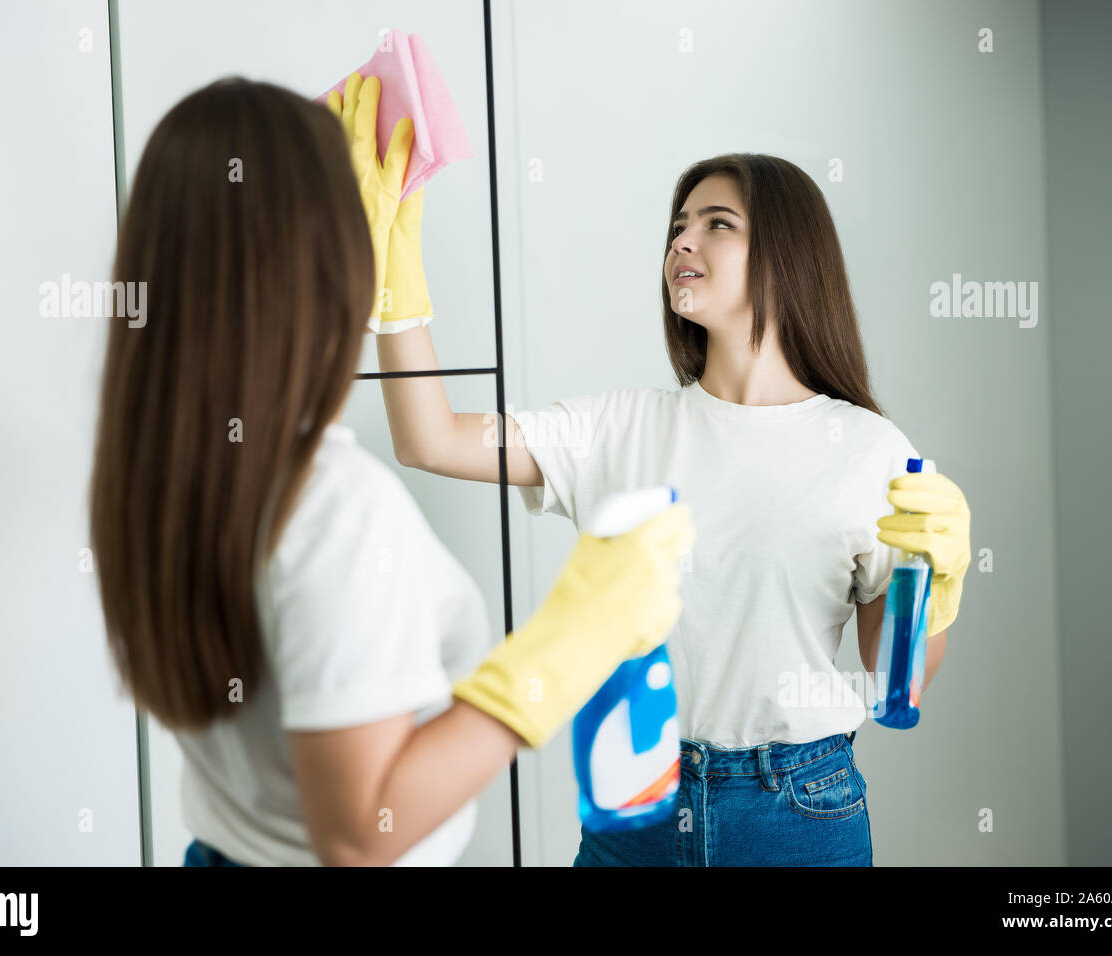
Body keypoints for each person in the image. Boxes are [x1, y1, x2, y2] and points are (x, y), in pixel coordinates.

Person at [87, 74, 694, 867]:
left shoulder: (167, 466)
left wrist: (379, 300)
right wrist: (567, 644)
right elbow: (357, 833)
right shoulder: (337, 510)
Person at [372, 114, 972, 862]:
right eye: (678, 226)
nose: (681, 243)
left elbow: (893, 688)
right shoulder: (621, 429)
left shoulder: (869, 451)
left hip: (796, 809)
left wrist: (935, 589)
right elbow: (429, 439)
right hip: (637, 798)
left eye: (716, 224)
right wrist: (392, 285)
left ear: (787, 256)